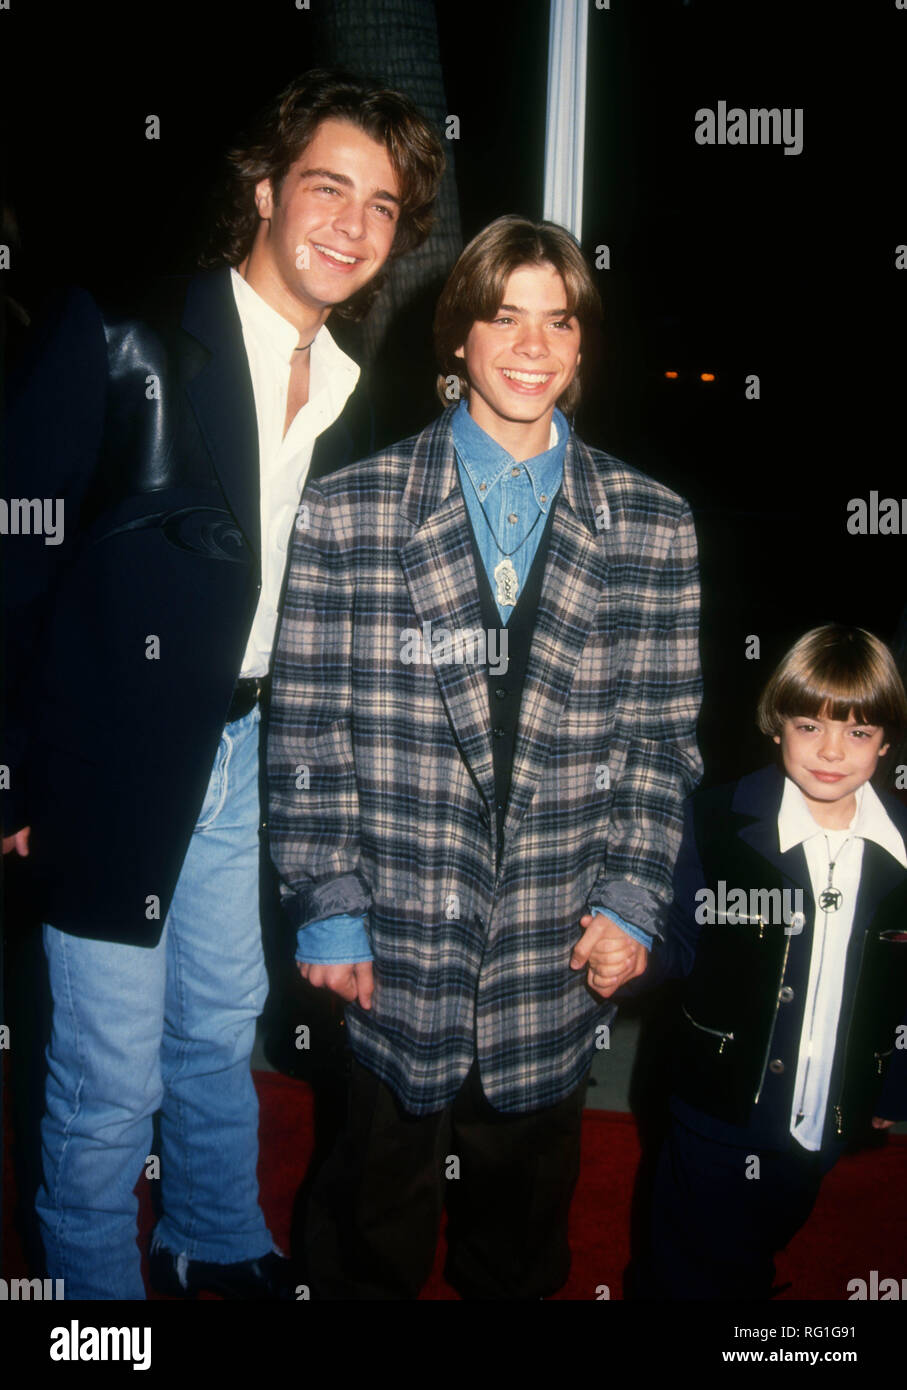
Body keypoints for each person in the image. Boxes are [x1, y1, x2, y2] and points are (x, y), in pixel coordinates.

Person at [0, 68, 444, 1301]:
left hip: (245, 753)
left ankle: (216, 1242)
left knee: (219, 1026)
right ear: (264, 190)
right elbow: (10, 565)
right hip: (109, 756)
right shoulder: (120, 332)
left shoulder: (358, 395)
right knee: (109, 1067)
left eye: (383, 206)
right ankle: (97, 1309)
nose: (352, 226)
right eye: (328, 188)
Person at [266, 215, 703, 1299]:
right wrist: (327, 898)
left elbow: (657, 737)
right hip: (393, 944)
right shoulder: (350, 507)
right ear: (455, 334)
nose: (530, 343)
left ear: (582, 346)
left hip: (555, 953)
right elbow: (307, 724)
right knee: (369, 1222)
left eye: (558, 320)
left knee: (520, 1239)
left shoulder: (653, 525)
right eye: (501, 314)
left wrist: (632, 895)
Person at [634, 624, 907, 1299]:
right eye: (810, 725)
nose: (832, 751)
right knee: (683, 1260)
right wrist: (633, 954)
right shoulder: (714, 822)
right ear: (775, 723)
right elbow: (679, 936)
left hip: (826, 1111)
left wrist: (891, 1084)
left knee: (762, 1233)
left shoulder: (901, 849)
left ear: (885, 742)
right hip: (718, 1106)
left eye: (858, 732)